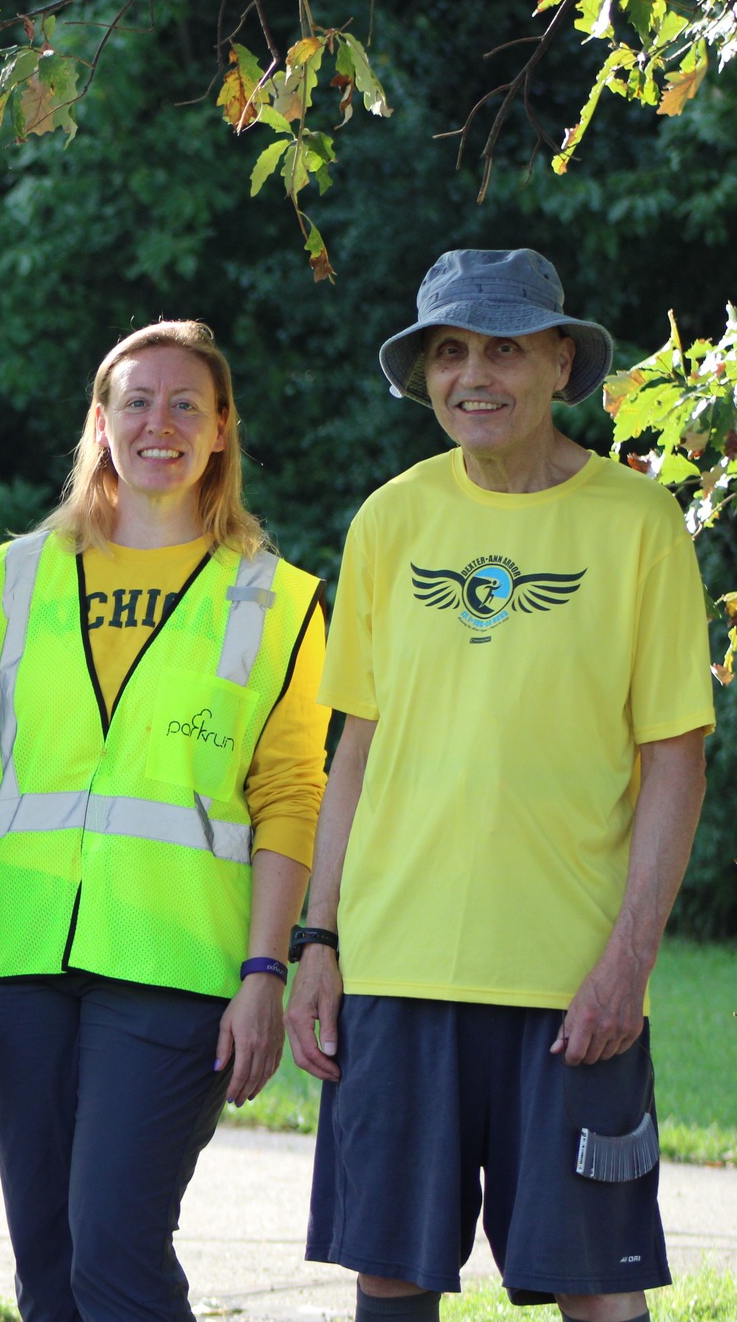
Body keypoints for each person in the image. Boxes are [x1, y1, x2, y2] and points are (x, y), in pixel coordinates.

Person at [286, 249, 713, 1322]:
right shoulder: (389, 519)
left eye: (503, 349)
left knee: (594, 1291)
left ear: (558, 362)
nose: (472, 375)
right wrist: (318, 942)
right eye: (448, 351)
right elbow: (355, 750)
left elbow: (674, 758)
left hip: (568, 984)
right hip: (394, 970)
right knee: (389, 1280)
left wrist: (627, 959)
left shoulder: (638, 525)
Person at [0, 320, 330, 1321]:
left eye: (187, 404)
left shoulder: (280, 602)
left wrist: (263, 972)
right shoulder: (3, 580)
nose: (159, 423)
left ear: (222, 429)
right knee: (46, 1270)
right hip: (16, 960)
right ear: (99, 423)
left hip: (176, 966)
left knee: (116, 1255)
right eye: (134, 401)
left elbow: (287, 799)